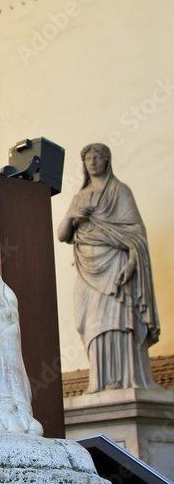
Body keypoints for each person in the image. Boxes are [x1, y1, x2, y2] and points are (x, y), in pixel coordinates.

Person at [58, 143, 161, 393]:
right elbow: (62, 235)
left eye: (97, 157)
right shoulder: (79, 197)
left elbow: (136, 234)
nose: (92, 162)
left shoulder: (120, 191)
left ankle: (126, 378)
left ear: (107, 160)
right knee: (91, 321)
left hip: (116, 266)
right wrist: (72, 216)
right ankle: (98, 380)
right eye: (88, 158)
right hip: (86, 270)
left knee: (118, 319)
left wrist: (132, 263)